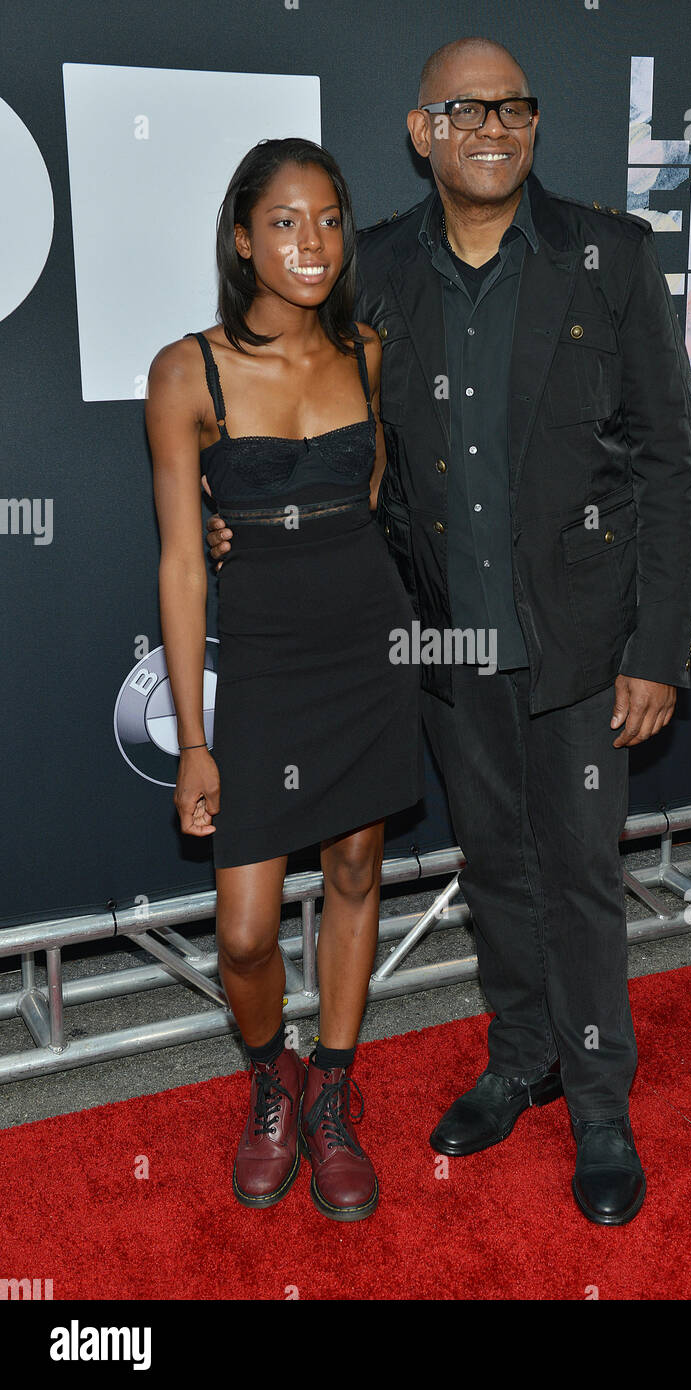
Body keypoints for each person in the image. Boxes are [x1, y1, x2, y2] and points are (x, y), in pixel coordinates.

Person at [208, 37, 691, 1227]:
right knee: (494, 868)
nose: (493, 127)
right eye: (465, 110)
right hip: (437, 644)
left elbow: (667, 463)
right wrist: (245, 522)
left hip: (583, 642)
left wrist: (656, 647)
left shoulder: (609, 256)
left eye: (514, 107)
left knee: (579, 877)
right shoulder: (371, 268)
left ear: (533, 127)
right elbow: (303, 422)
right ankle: (522, 1056)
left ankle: (596, 1106)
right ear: (421, 132)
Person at [147, 137, 423, 1220]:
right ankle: (274, 1074)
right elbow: (178, 559)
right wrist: (195, 737)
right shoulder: (189, 371)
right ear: (241, 237)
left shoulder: (369, 353)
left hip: (367, 646)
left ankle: (335, 1093)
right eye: (283, 223)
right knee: (248, 930)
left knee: (356, 871)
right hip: (262, 666)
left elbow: (373, 506)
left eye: (327, 220)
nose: (310, 244)